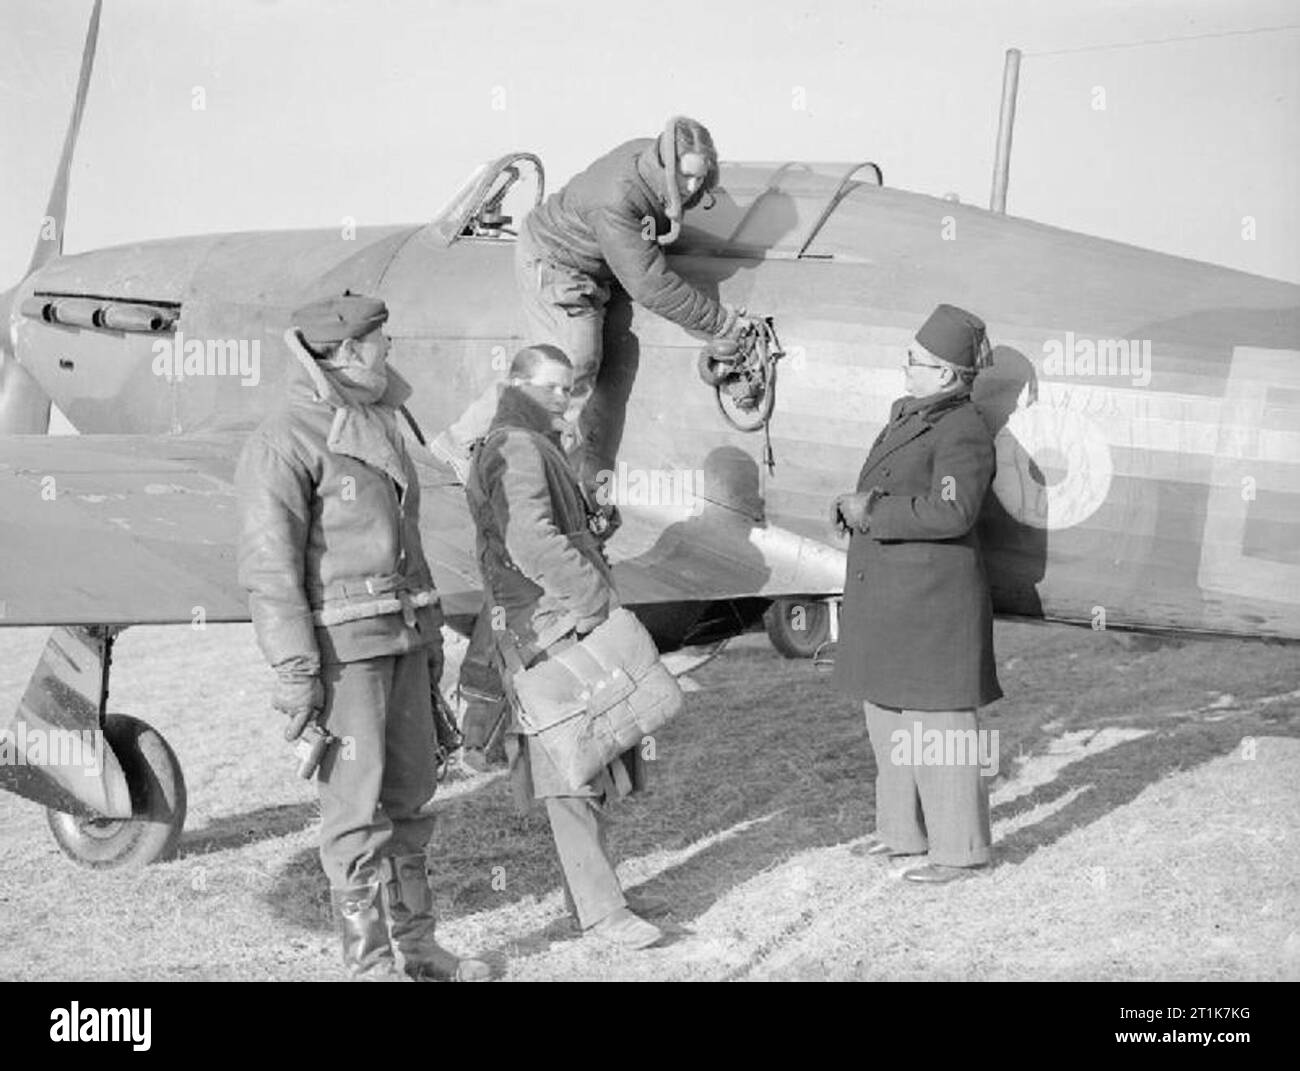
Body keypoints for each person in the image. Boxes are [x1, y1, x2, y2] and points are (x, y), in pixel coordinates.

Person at [235, 292, 490, 980]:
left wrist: (431, 636)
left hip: (403, 640)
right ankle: (370, 964)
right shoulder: (284, 440)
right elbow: (269, 570)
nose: (390, 351)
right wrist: (296, 672)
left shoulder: (374, 420)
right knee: (355, 813)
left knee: (410, 800)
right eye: (382, 341)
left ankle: (421, 949)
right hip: (346, 657)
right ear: (346, 352)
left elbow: (409, 545)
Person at [432, 115, 763, 487]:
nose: (691, 187)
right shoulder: (617, 198)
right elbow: (650, 285)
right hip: (556, 262)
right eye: (685, 177)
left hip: (591, 263)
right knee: (566, 369)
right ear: (666, 165)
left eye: (700, 178)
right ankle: (466, 445)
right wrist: (721, 323)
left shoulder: (651, 159)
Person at [465, 343, 665, 949]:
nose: (564, 397)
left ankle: (592, 900)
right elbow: (530, 544)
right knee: (569, 772)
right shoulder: (518, 446)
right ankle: (605, 913)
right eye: (550, 388)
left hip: (550, 618)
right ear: (515, 383)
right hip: (545, 624)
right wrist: (594, 603)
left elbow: (549, 531)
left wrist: (591, 523)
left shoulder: (536, 443)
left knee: (588, 758)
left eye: (569, 388)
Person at [831, 303, 1003, 885]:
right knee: (886, 716)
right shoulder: (909, 415)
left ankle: (960, 853)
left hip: (932, 605)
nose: (906, 367)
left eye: (918, 361)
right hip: (891, 597)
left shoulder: (962, 429)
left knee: (942, 729)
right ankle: (903, 835)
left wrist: (873, 511)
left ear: (949, 375)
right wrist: (856, 510)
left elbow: (954, 510)